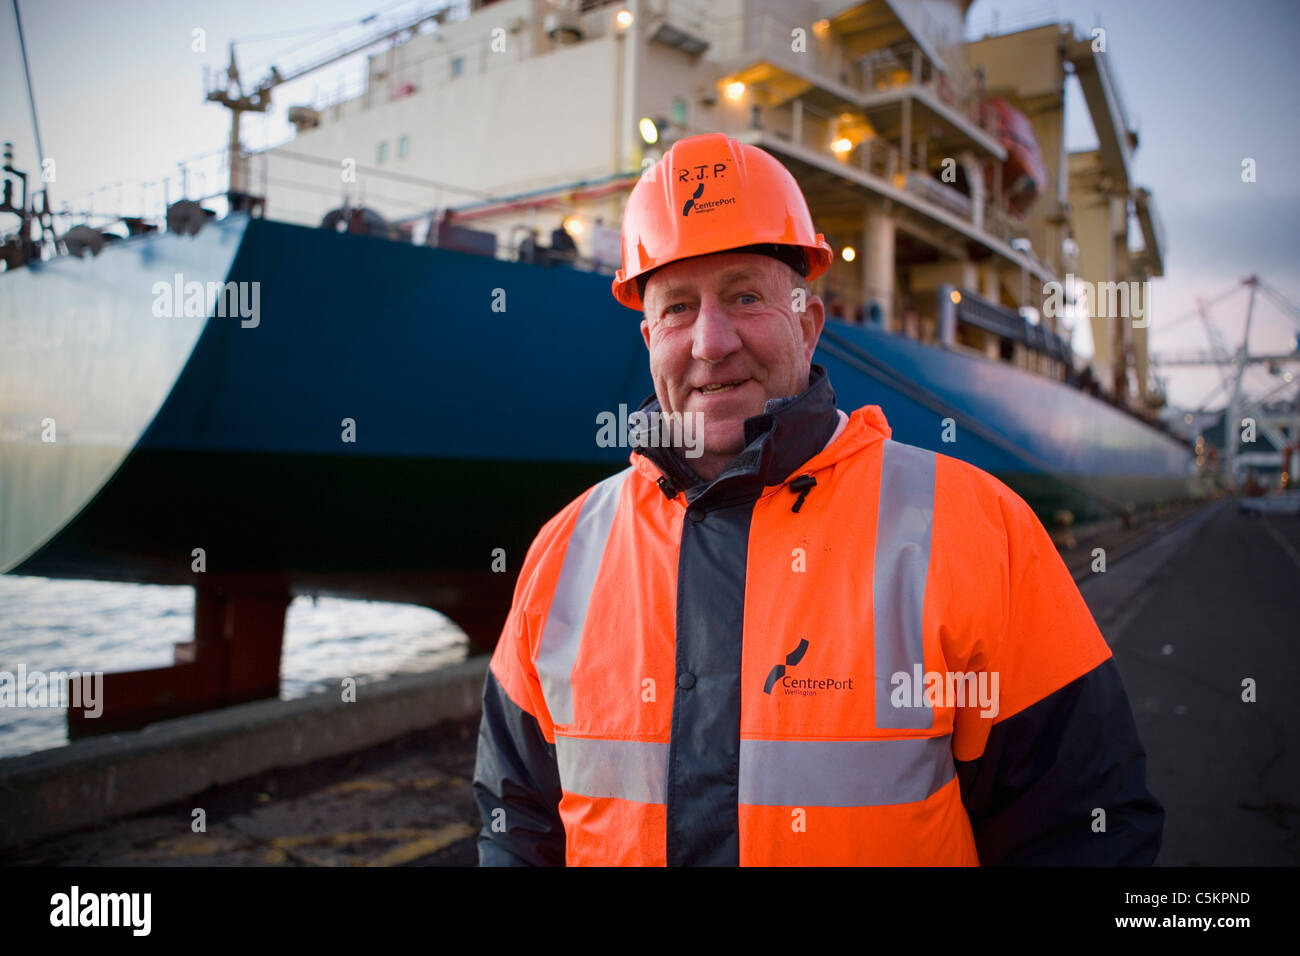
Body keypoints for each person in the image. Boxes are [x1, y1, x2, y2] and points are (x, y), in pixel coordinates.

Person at [472, 132, 1163, 866]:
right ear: (647, 336)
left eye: (745, 295)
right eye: (677, 308)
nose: (711, 342)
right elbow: (515, 821)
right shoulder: (565, 548)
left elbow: (1085, 826)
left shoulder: (975, 527)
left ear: (807, 320)